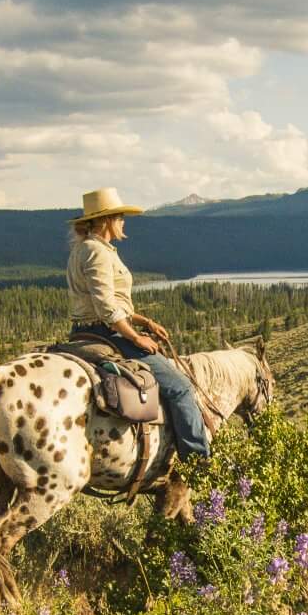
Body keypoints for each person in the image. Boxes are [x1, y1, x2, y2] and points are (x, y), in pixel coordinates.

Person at [66, 187, 210, 480]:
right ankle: (199, 464)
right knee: (180, 386)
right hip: (108, 334)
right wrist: (135, 337)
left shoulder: (83, 249)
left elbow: (108, 299)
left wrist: (143, 320)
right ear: (106, 220)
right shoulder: (97, 251)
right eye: (119, 217)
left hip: (86, 330)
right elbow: (106, 307)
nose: (123, 222)